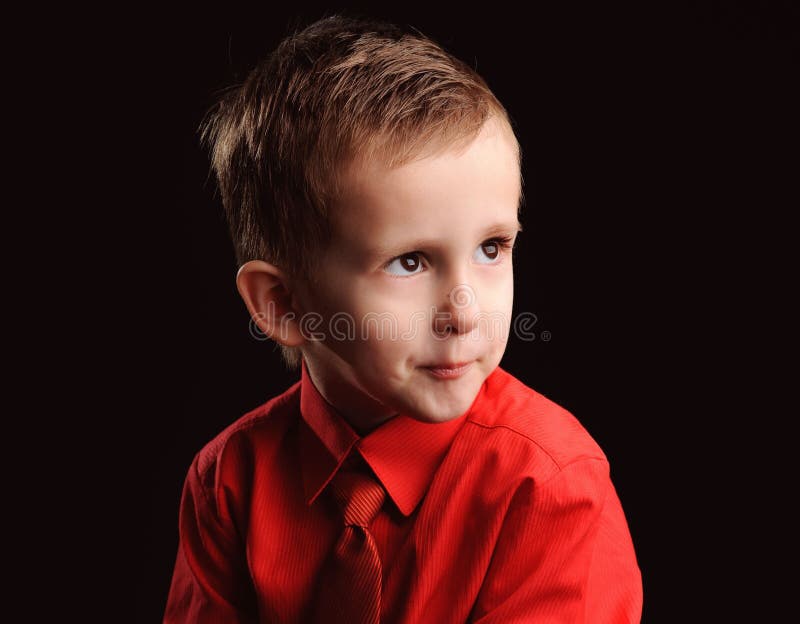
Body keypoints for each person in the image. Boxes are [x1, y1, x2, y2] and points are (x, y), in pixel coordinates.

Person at [164, 13, 642, 623]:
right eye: (410, 262)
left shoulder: (548, 486)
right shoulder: (228, 483)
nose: (464, 312)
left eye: (492, 248)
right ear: (283, 305)